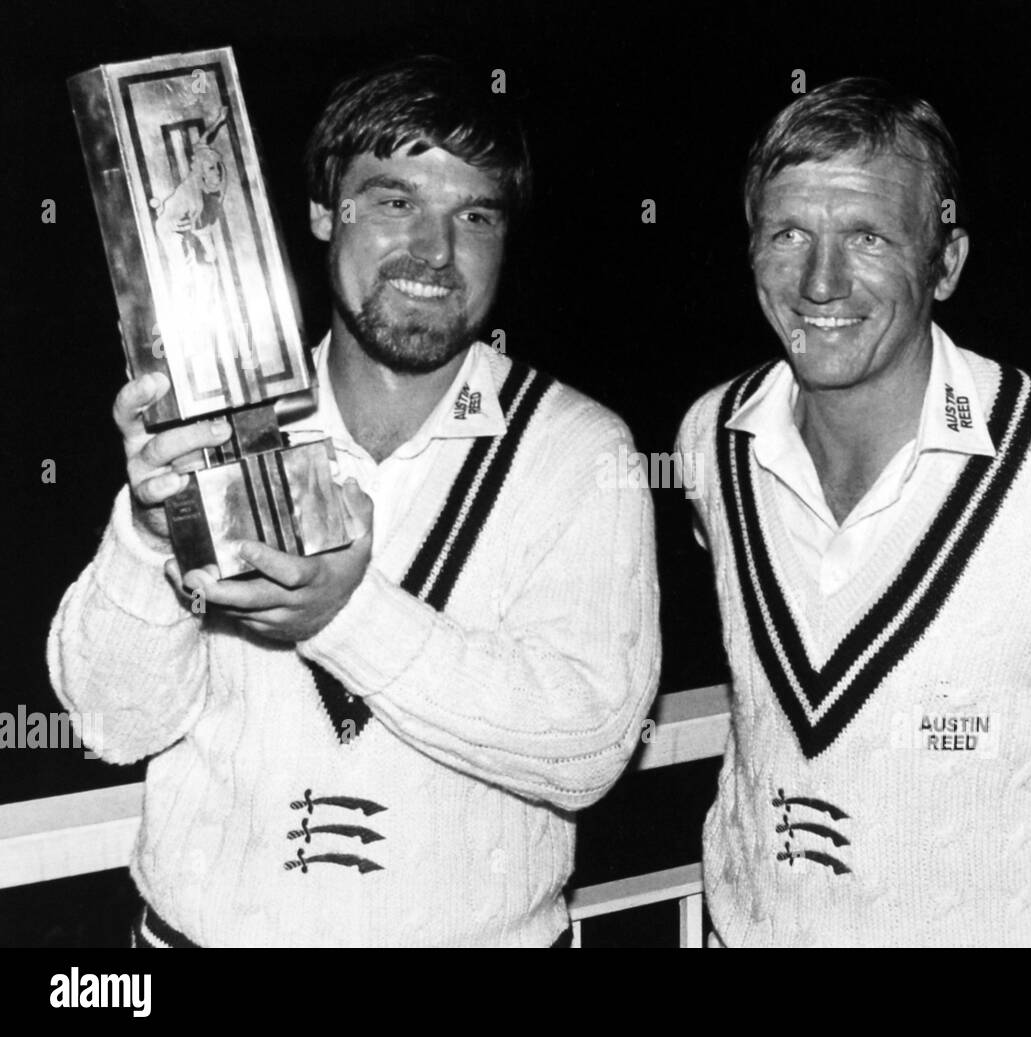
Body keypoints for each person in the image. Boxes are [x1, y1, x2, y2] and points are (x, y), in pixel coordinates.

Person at [48, 55, 661, 947]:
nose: (435, 251)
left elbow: (588, 746)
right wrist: (147, 535)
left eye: (475, 215)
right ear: (324, 212)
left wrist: (344, 616)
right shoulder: (222, 422)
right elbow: (112, 722)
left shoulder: (579, 450)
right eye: (394, 201)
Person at [675, 77, 1031, 946]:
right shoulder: (715, 438)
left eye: (867, 236)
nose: (821, 281)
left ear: (947, 260)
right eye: (789, 232)